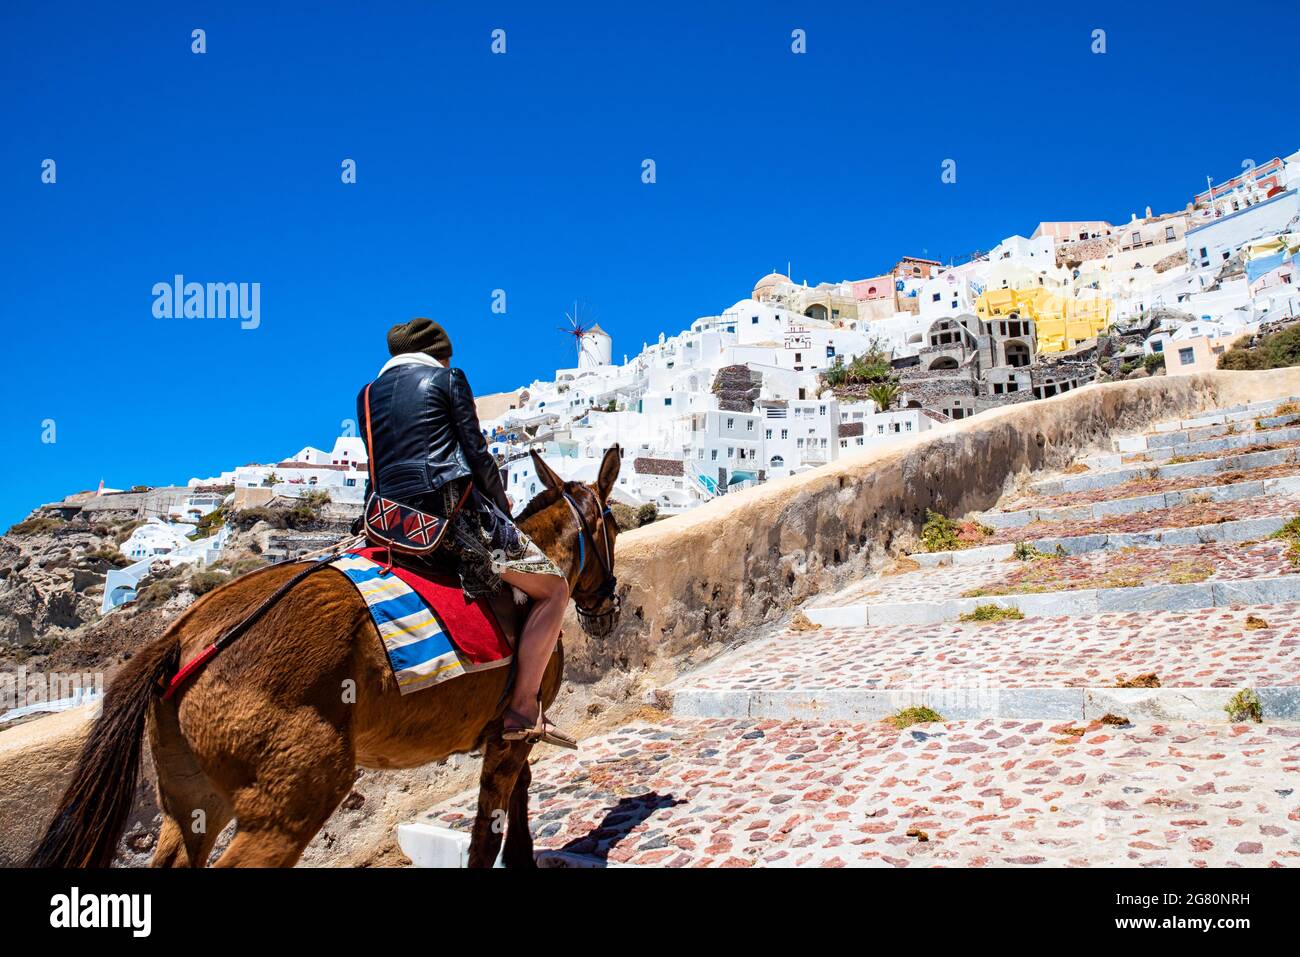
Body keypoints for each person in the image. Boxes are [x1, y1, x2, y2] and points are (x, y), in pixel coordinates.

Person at [357, 317, 576, 748]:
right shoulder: (447, 379)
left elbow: (377, 470)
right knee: (554, 589)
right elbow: (477, 455)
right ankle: (524, 707)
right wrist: (502, 509)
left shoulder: (365, 396)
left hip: (385, 525)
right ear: (441, 355)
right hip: (450, 521)